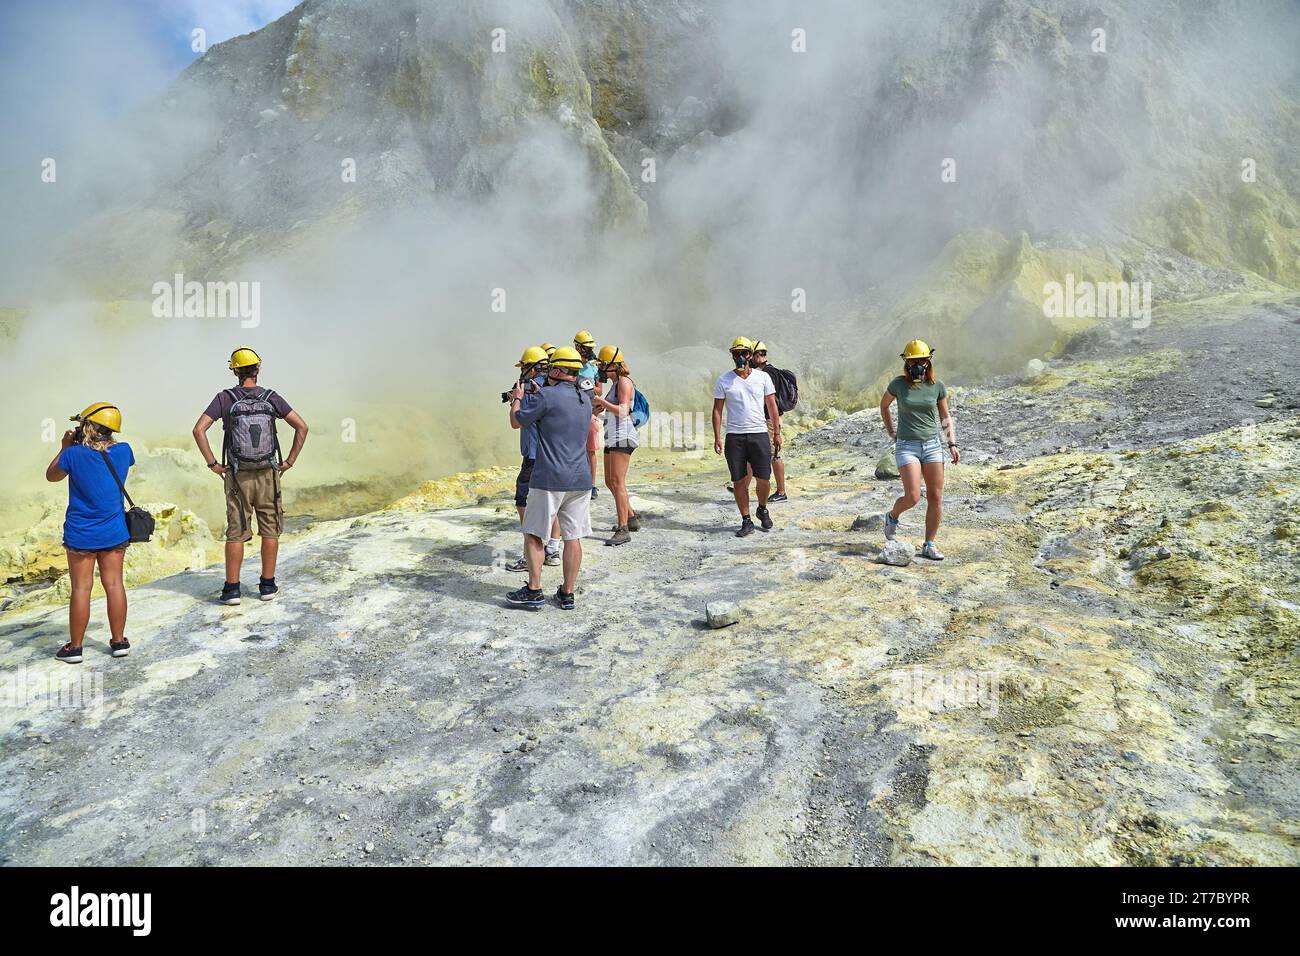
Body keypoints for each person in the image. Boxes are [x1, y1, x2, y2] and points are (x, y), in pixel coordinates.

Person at [192, 347, 309, 604]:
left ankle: (232, 589)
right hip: (268, 473)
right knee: (270, 530)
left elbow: (199, 430)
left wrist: (212, 464)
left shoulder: (225, 398)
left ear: (234, 371)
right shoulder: (271, 397)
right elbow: (302, 426)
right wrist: (288, 461)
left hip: (236, 475)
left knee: (236, 531)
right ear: (258, 369)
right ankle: (267, 586)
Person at [507, 346, 595, 609]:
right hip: (580, 479)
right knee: (573, 537)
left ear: (556, 370)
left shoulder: (545, 396)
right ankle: (567, 594)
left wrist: (518, 398)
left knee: (533, 533)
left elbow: (516, 421)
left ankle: (534, 590)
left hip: (548, 478)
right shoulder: (585, 398)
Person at [45, 403, 134, 662]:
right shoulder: (125, 451)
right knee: (114, 584)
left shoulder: (72, 455)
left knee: (82, 589)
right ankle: (119, 641)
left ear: (88, 427)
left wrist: (65, 447)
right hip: (114, 532)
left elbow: (51, 476)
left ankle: (75, 648)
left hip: (81, 533)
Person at [879, 339, 959, 560]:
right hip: (907, 446)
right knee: (913, 496)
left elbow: (945, 416)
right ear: (906, 362)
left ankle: (929, 544)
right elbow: (884, 406)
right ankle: (892, 516)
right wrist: (891, 432)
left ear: (928, 362)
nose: (916, 364)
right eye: (912, 360)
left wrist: (952, 443)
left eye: (920, 360)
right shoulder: (898, 385)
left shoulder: (937, 386)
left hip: (932, 445)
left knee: (935, 496)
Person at [712, 336, 780, 537]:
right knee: (739, 480)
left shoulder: (763, 378)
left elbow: (772, 406)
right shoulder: (724, 380)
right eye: (736, 353)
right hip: (735, 436)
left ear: (751, 354)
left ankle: (762, 508)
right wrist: (717, 437)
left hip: (759, 433)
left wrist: (777, 433)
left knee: (764, 479)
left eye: (743, 353)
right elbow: (717, 410)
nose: (740, 357)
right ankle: (746, 519)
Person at [507, 346, 562, 571]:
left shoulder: (531, 391)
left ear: (531, 367)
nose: (522, 372)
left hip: (533, 456)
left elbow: (516, 421)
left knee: (524, 502)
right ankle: (553, 550)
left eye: (523, 367)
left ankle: (530, 555)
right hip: (551, 454)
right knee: (552, 504)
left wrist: (515, 400)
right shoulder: (551, 387)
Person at [592, 344, 639, 545]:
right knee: (610, 482)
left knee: (618, 482)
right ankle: (631, 518)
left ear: (613, 365)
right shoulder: (615, 383)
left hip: (623, 437)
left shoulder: (624, 382)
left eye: (603, 364)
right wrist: (596, 409)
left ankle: (623, 529)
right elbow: (612, 412)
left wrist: (601, 402)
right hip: (612, 436)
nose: (600, 368)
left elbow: (622, 410)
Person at [750, 341, 788, 502]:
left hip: (769, 420)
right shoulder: (769, 372)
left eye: (749, 355)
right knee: (754, 454)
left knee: (774, 455)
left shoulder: (768, 374)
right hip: (767, 420)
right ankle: (742, 486)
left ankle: (781, 492)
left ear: (757, 355)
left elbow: (769, 401)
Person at [573, 329, 602, 500]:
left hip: (590, 412)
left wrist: (586, 385)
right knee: (575, 448)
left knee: (590, 450)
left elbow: (599, 389)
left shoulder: (593, 367)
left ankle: (591, 485)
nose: (589, 350)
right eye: (586, 346)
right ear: (577, 346)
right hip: (574, 412)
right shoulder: (570, 363)